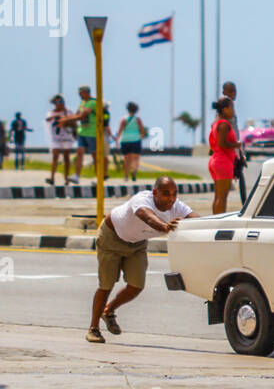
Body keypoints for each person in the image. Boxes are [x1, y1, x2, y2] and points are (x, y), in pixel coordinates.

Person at [87, 175, 197, 343]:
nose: (171, 199)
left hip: (137, 244)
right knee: (106, 285)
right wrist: (165, 226)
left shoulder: (176, 206)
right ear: (155, 193)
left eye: (174, 194)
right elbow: (145, 215)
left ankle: (108, 311)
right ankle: (93, 329)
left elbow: (195, 218)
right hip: (112, 238)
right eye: (166, 193)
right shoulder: (142, 200)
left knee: (136, 285)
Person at [207, 96, 241, 215]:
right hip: (223, 162)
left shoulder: (216, 123)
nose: (233, 111)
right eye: (232, 108)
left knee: (218, 196)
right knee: (222, 197)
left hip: (216, 160)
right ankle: (218, 220)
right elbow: (223, 144)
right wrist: (237, 145)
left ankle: (215, 218)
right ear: (225, 109)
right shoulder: (224, 125)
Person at [68, 85, 108, 181]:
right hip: (82, 132)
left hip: (92, 133)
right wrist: (66, 120)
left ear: (85, 92)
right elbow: (76, 114)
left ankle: (98, 176)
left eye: (80, 92)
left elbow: (82, 116)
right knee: (79, 152)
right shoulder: (82, 102)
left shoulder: (93, 103)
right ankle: (76, 175)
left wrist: (64, 120)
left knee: (94, 155)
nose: (79, 94)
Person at [222, 81, 249, 199]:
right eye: (231, 91)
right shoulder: (224, 108)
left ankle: (245, 203)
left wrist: (240, 151)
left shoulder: (230, 107)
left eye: (234, 91)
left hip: (234, 149)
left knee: (239, 174)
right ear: (224, 92)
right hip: (229, 150)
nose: (234, 94)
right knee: (226, 183)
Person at [45, 95, 77, 185]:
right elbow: (48, 120)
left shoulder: (69, 112)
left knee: (66, 158)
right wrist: (56, 117)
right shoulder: (51, 113)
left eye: (62, 102)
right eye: (58, 102)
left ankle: (66, 178)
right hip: (55, 138)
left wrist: (65, 121)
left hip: (67, 137)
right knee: (55, 157)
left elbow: (74, 123)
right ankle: (52, 177)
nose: (61, 104)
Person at [116, 102, 147, 182]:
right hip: (135, 139)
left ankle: (126, 175)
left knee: (127, 159)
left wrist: (117, 139)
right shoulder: (137, 119)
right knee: (135, 158)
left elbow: (120, 130)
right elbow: (142, 130)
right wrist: (142, 136)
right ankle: (134, 172)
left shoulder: (124, 119)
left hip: (125, 140)